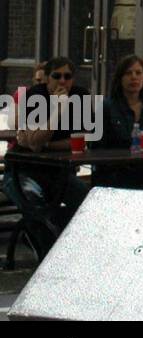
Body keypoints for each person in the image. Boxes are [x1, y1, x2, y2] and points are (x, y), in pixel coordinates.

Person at [6, 56, 92, 227]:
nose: (62, 81)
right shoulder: (35, 96)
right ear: (47, 79)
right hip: (23, 170)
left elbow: (81, 141)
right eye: (56, 76)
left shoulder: (80, 96)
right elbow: (35, 143)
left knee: (88, 203)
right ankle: (41, 245)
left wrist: (46, 144)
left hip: (58, 172)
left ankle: (58, 236)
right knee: (34, 204)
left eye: (67, 77)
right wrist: (57, 110)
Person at [95, 54, 143, 190]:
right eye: (128, 73)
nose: (134, 77)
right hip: (115, 172)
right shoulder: (107, 106)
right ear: (120, 78)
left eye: (138, 73)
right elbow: (97, 148)